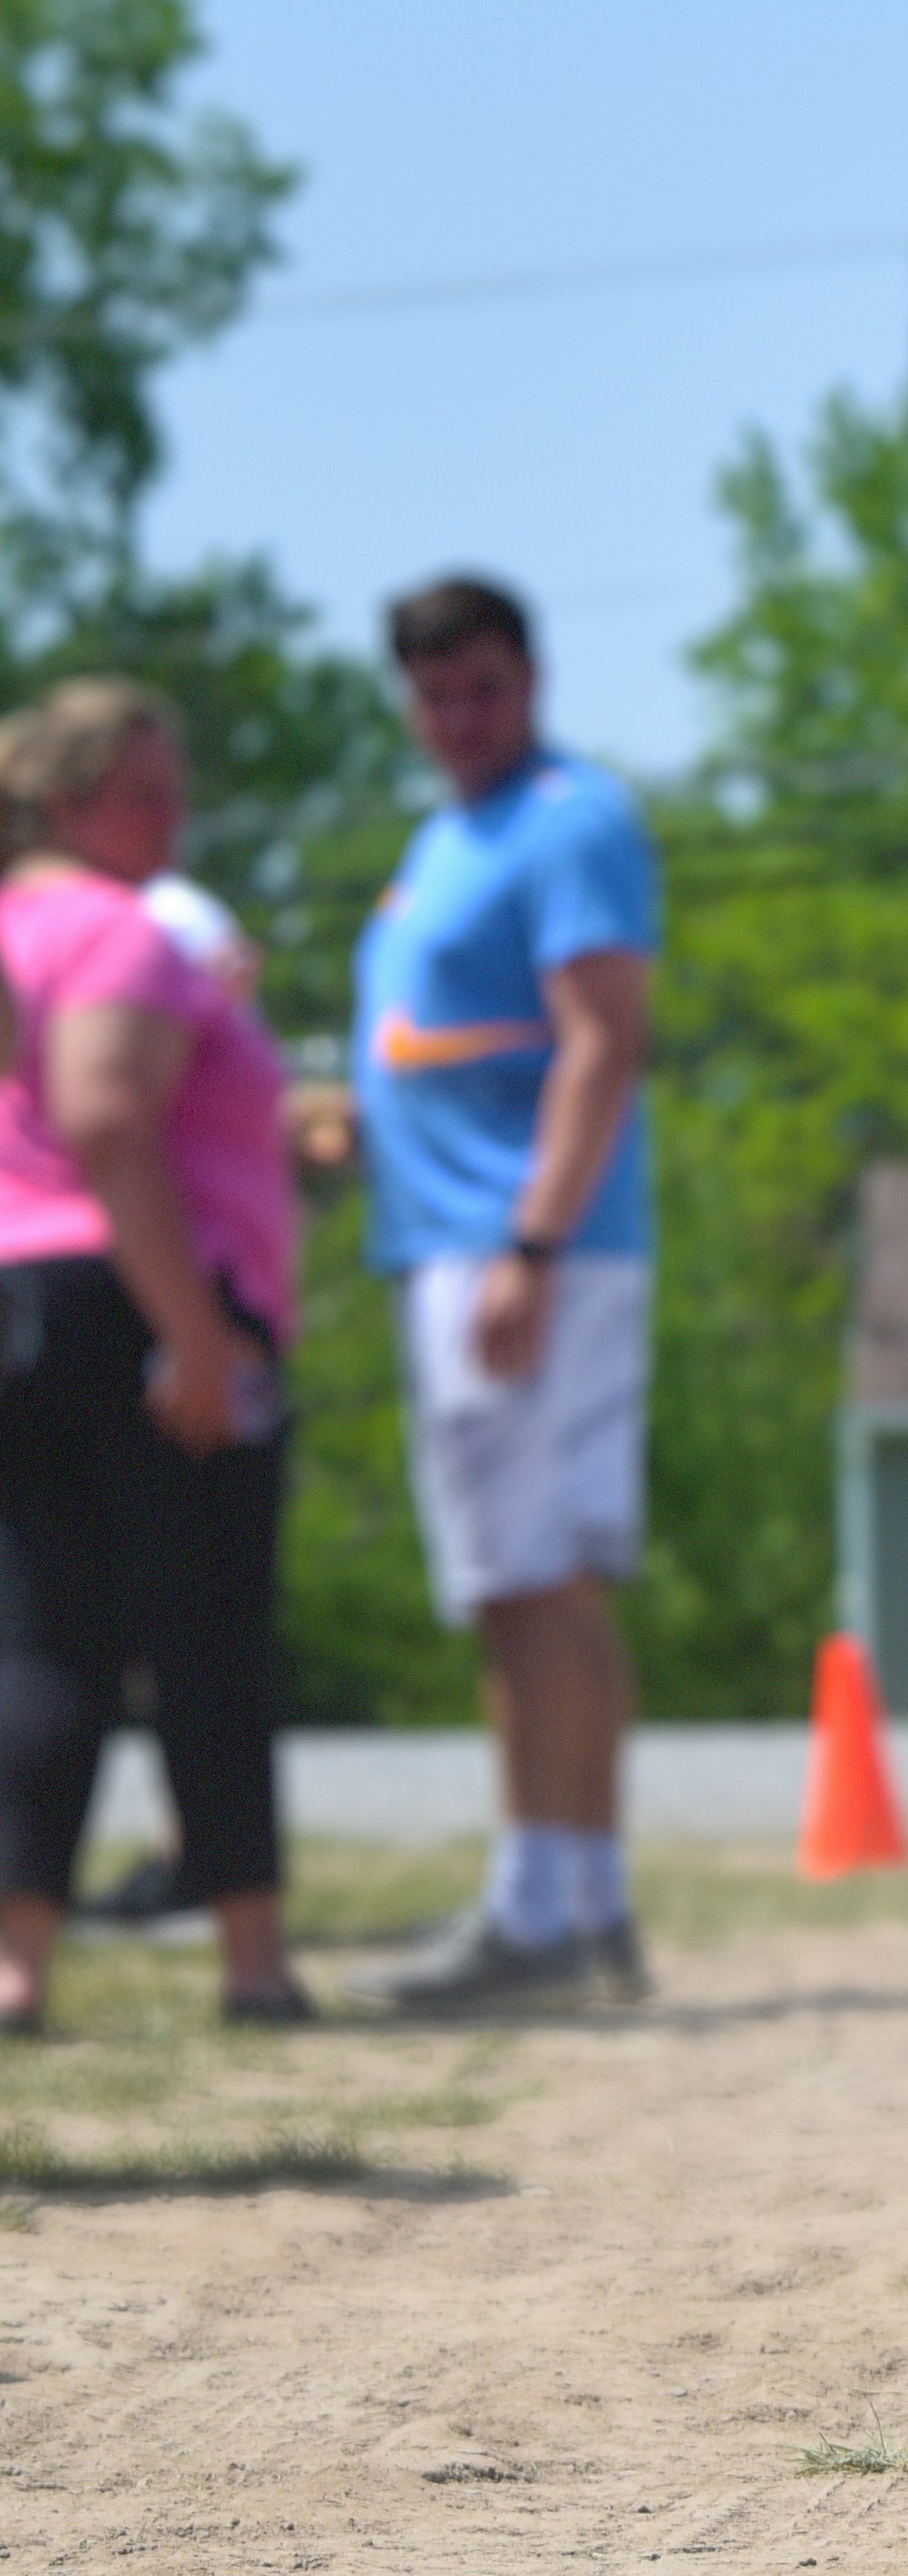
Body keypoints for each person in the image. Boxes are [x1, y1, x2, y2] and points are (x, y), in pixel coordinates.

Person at [350, 573, 662, 2010]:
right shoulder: (446, 835)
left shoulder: (567, 819)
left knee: (524, 1583)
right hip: (474, 1240)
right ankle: (581, 1898)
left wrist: (530, 1245)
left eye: (481, 687)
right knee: (541, 1579)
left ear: (529, 678)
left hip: (518, 1251)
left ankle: (535, 1905)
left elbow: (602, 1041)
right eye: (433, 694)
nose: (458, 716)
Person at [0, 680, 306, 2027]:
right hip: (116, 1303)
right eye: (148, 794)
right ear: (69, 803)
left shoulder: (16, 925)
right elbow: (109, 1123)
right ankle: (250, 1958)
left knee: (44, 1640)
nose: (174, 819)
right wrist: (194, 1336)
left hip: (17, 1293)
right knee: (206, 1637)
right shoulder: (108, 928)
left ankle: (16, 1965)